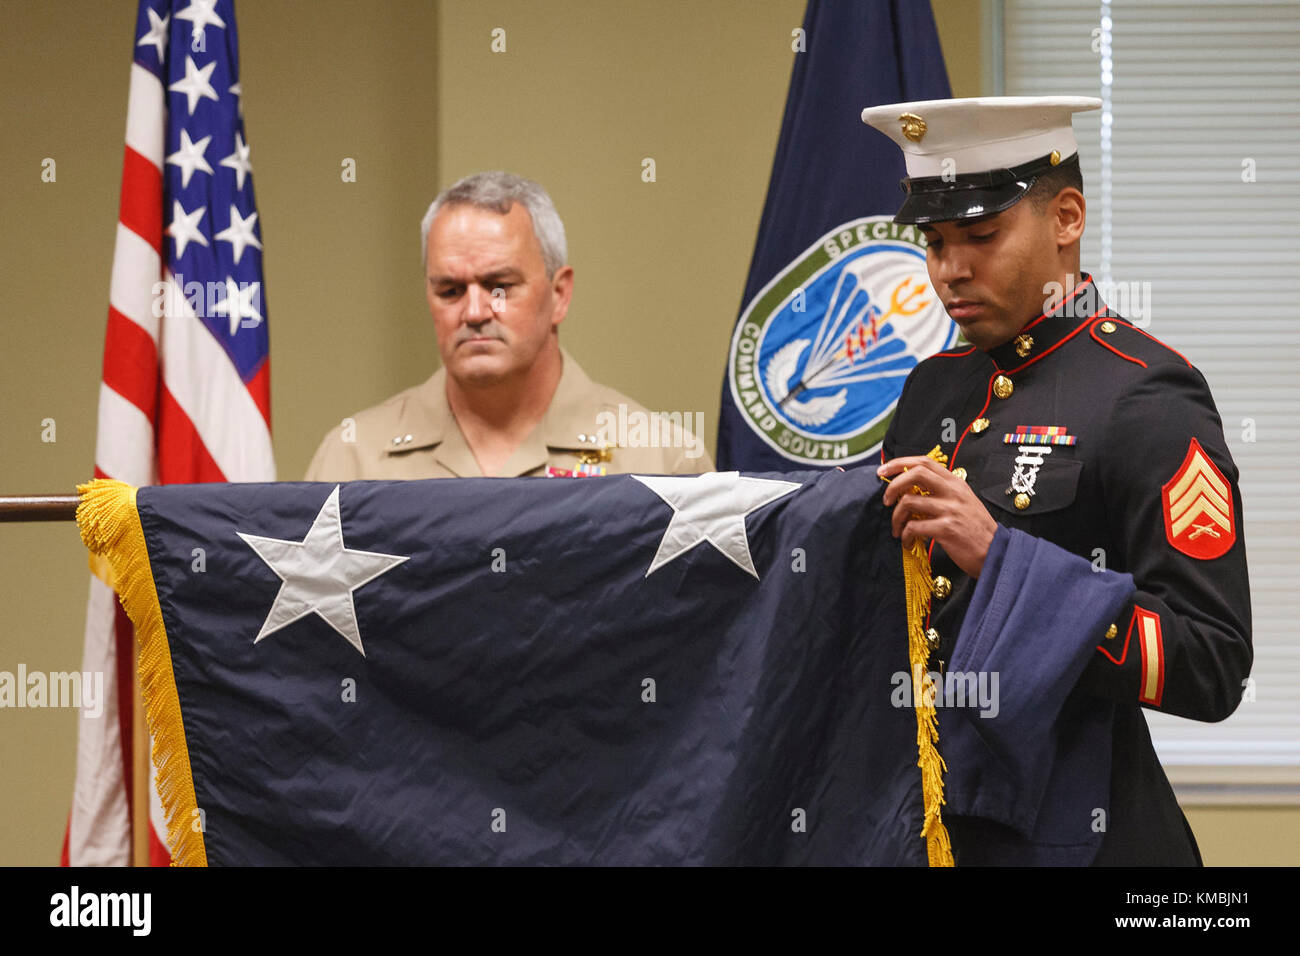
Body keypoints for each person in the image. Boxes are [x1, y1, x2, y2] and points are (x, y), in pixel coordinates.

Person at [862, 96, 1251, 865]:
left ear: (1066, 217)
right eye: (935, 241)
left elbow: (1212, 663)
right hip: (932, 830)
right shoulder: (930, 390)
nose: (951, 269)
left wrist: (1003, 562)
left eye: (981, 234)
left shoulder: (1144, 393)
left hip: (1086, 836)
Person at [305, 171, 712, 480]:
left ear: (559, 295)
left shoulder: (660, 458)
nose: (475, 311)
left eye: (499, 286)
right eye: (450, 290)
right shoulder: (354, 458)